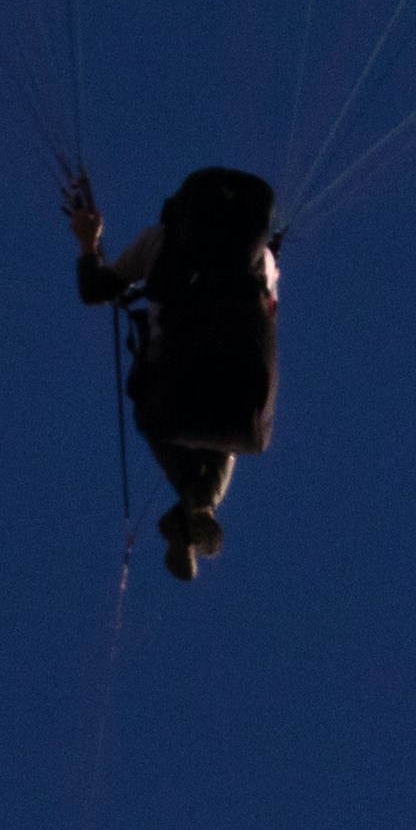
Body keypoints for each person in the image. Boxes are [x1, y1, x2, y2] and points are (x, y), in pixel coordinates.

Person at [69, 165, 279, 580]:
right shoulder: (265, 261)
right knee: (226, 425)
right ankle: (196, 509)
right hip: (242, 408)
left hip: (177, 393)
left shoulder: (159, 241)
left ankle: (196, 508)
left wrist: (88, 243)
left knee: (158, 417)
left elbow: (95, 290)